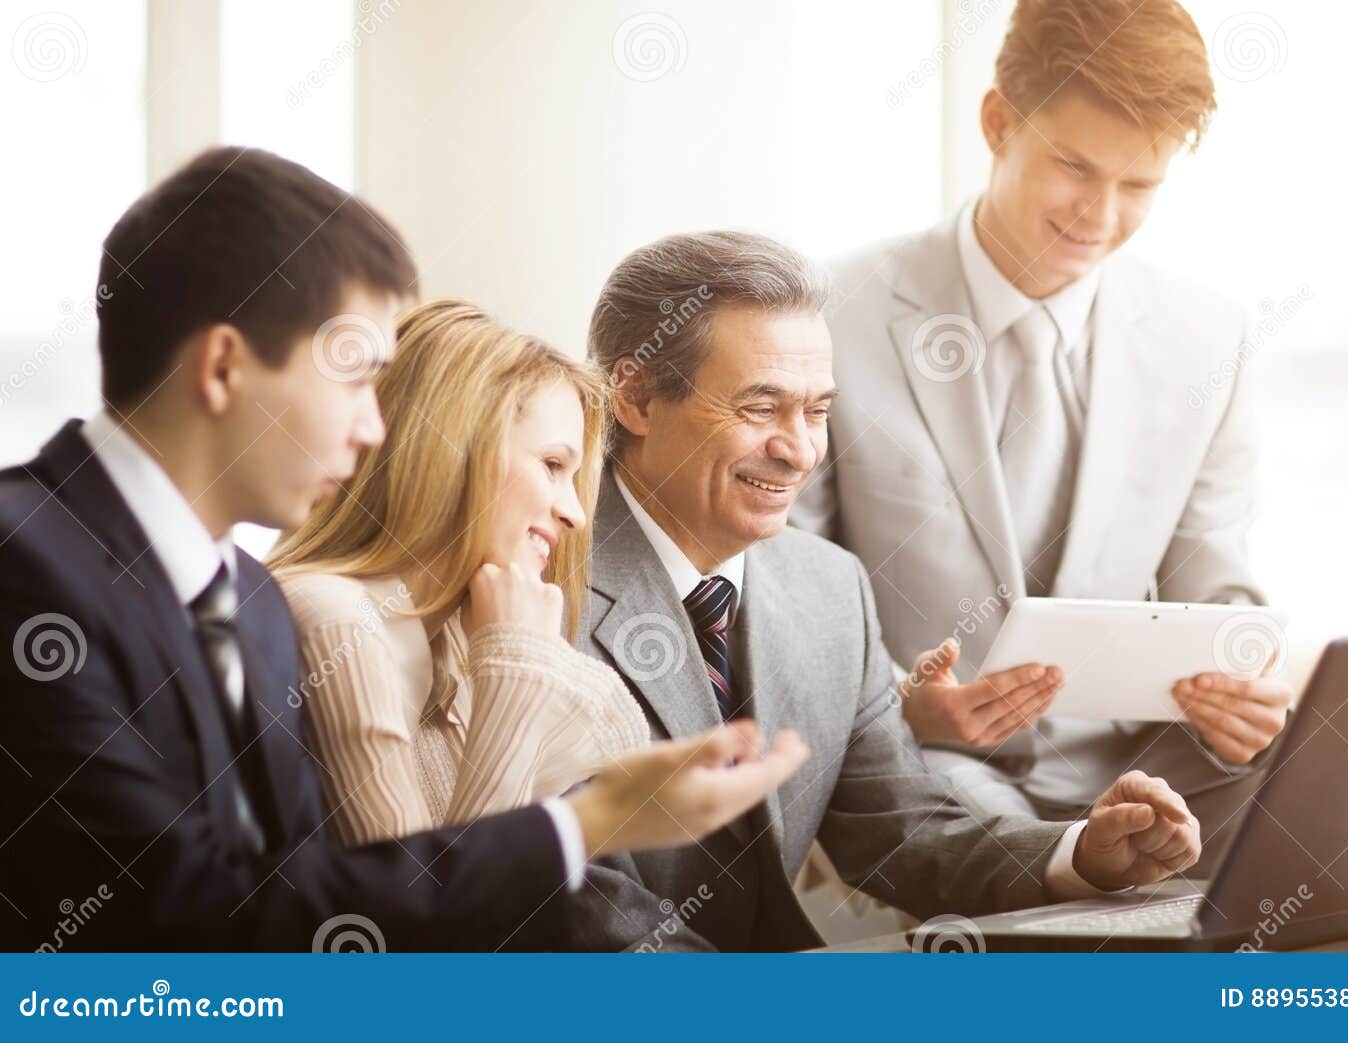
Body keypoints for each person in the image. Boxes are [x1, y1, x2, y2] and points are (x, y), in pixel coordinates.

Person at [0, 146, 806, 952]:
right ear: (222, 367)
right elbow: (175, 921)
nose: (376, 427)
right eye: (354, 379)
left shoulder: (248, 601)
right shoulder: (25, 564)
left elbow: (317, 914)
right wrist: (581, 821)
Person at [571, 229, 1202, 952]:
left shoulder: (828, 585)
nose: (800, 449)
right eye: (759, 407)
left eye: (816, 410)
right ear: (636, 395)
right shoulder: (539, 586)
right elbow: (573, 892)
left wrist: (1083, 853)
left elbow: (902, 827)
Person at [791, 0, 1291, 852]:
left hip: (1148, 763)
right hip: (928, 762)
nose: (1099, 216)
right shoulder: (830, 312)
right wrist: (902, 701)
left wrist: (1239, 690)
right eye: (1074, 167)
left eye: (1139, 187)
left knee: (1333, 806)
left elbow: (1216, 578)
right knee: (999, 852)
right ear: (997, 122)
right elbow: (783, 597)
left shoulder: (1210, 337)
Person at [268, 300, 650, 845]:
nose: (576, 513)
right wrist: (514, 660)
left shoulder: (450, 645)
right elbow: (434, 917)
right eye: (552, 465)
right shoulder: (337, 622)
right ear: (453, 451)